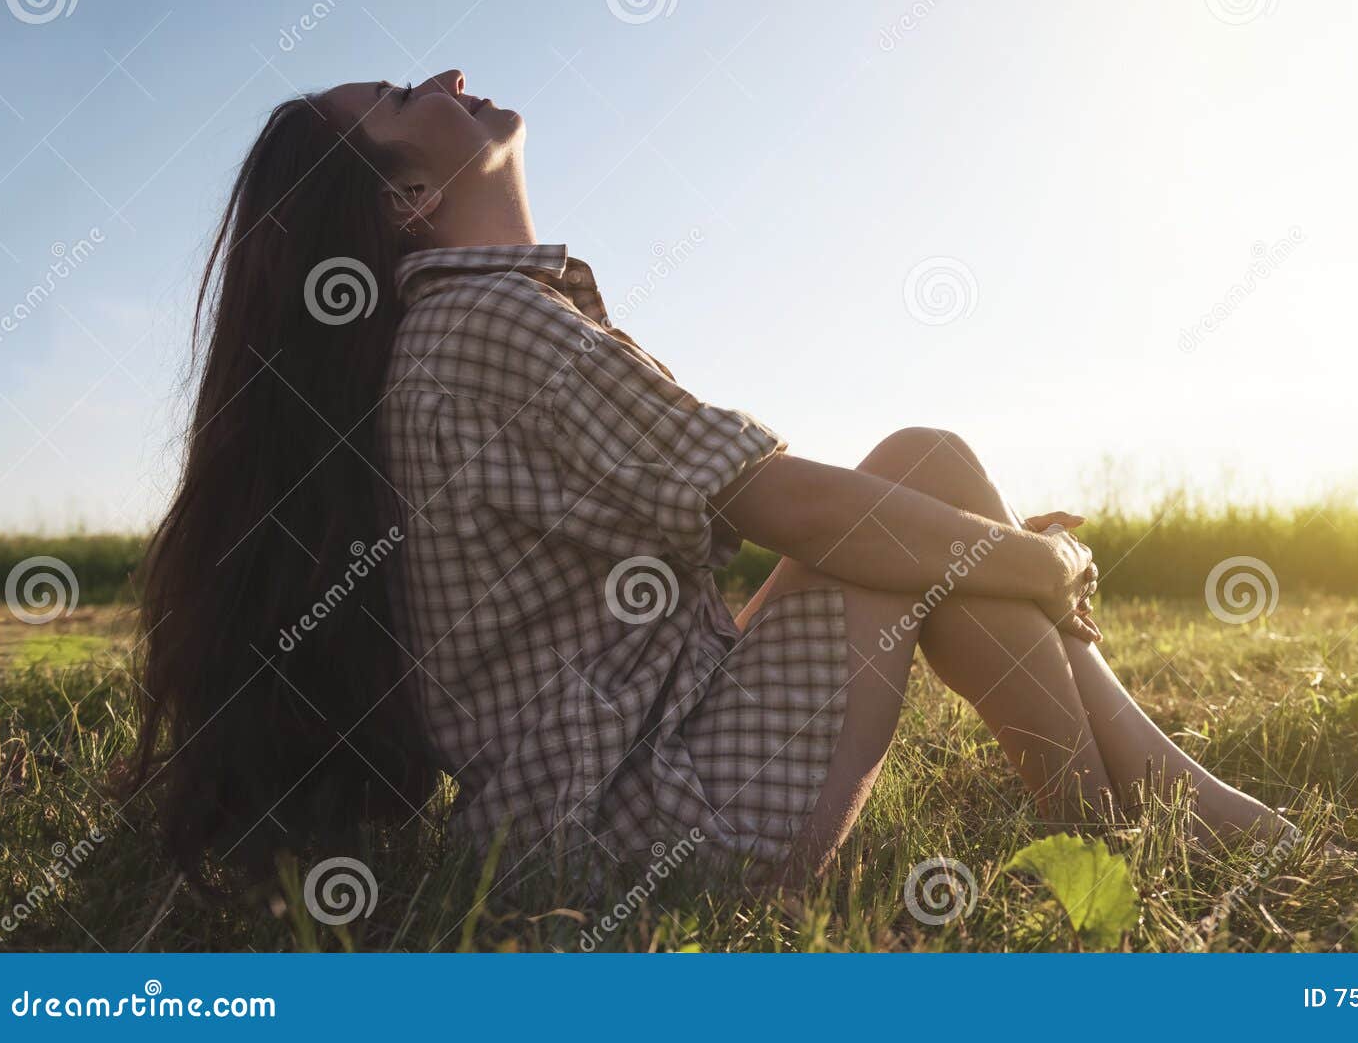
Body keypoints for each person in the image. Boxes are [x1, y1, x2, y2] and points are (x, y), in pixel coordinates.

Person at [132, 69, 1295, 891]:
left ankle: (1166, 797)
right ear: (405, 200)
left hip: (622, 774)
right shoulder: (487, 322)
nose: (444, 75)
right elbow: (789, 503)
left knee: (924, 478)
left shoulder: (470, 327)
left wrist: (973, 549)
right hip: (646, 829)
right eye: (398, 99)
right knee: (907, 517)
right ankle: (1130, 820)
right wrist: (1040, 561)